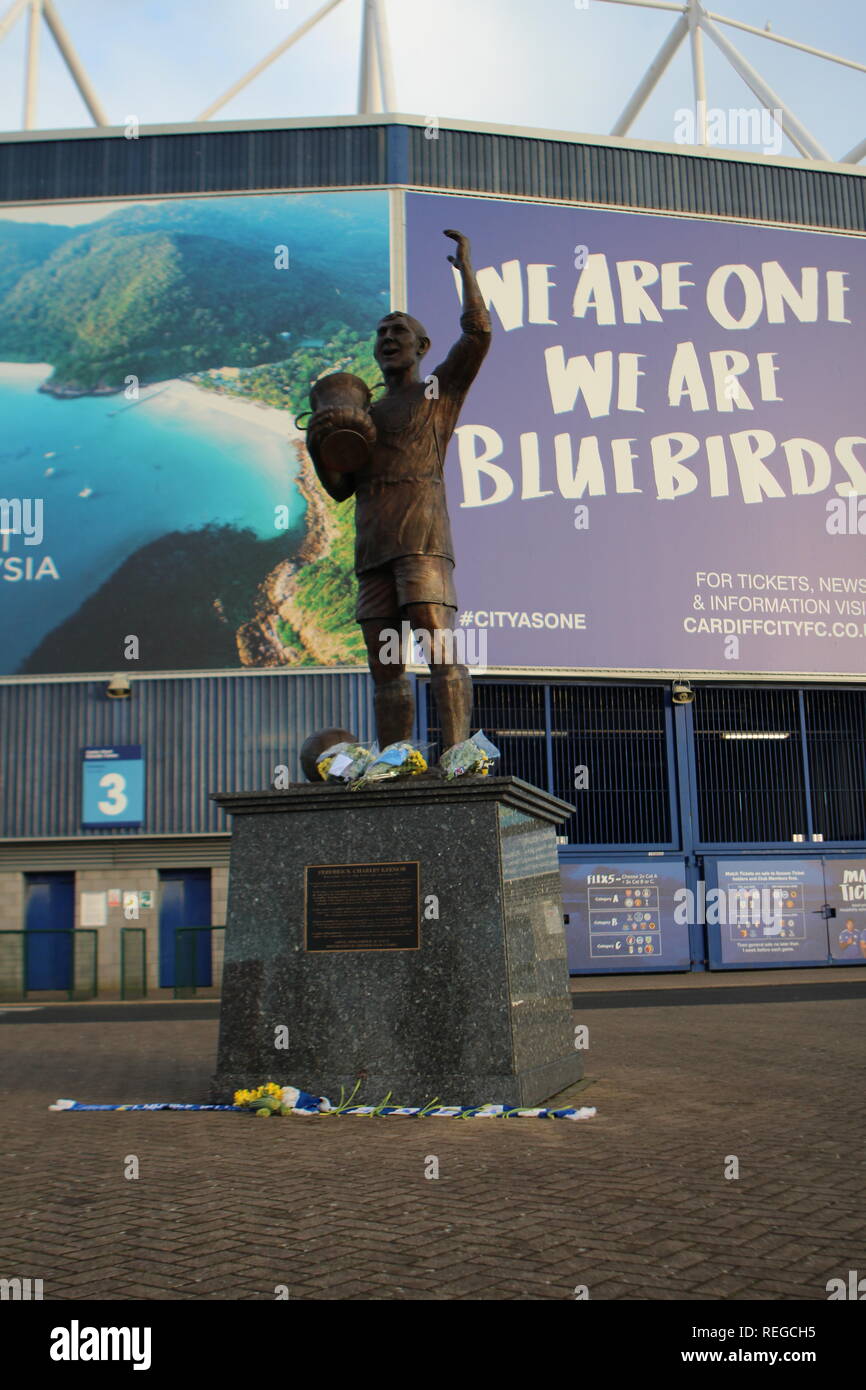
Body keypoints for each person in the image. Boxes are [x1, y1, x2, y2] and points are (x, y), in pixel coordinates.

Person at [307, 229, 491, 750]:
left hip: (423, 544)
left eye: (399, 331)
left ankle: (456, 758)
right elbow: (340, 488)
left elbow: (478, 336)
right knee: (385, 666)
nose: (388, 338)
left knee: (440, 653)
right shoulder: (363, 417)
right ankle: (396, 762)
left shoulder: (437, 392)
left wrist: (467, 273)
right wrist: (317, 446)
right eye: (381, 333)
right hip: (373, 551)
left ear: (422, 347)